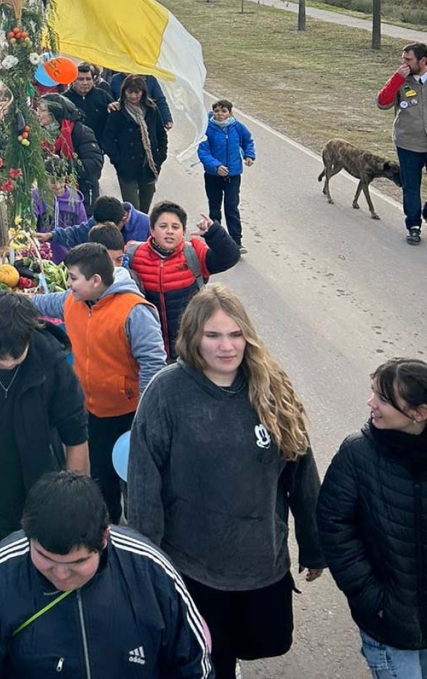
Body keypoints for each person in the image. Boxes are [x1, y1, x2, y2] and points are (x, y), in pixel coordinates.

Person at [128, 284, 325, 679]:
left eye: (235, 334)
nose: (227, 346)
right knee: (203, 659)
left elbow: (302, 473)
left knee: (259, 642)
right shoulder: (167, 392)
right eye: (213, 335)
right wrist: (147, 565)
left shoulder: (272, 388)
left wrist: (314, 545)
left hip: (259, 561)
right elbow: (144, 485)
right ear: (193, 337)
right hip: (192, 567)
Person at [0, 471, 212, 678]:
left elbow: (193, 664)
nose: (60, 574)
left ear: (104, 539)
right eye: (45, 558)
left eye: (77, 562)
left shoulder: (151, 571)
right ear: (28, 536)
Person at [0, 290, 90, 574]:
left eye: (16, 356)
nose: (7, 362)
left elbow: (76, 435)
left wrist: (76, 503)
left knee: (38, 575)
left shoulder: (53, 364)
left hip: (38, 487)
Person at [30, 243, 165, 523]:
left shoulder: (134, 311)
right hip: (91, 411)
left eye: (73, 278)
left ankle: (139, 534)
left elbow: (154, 364)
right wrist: (14, 302)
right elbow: (44, 303)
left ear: (95, 281)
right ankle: (107, 530)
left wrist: (144, 415)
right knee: (102, 479)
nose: (69, 284)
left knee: (134, 481)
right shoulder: (73, 300)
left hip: (129, 416)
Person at [318, 358, 427, 676]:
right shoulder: (357, 453)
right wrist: (374, 599)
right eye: (373, 393)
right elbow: (333, 525)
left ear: (419, 413)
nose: (371, 403)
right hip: (389, 628)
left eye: (383, 398)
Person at [126, 200, 241, 357]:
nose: (169, 231)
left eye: (175, 227)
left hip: (189, 349)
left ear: (183, 231)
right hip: (149, 349)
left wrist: (214, 232)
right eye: (163, 226)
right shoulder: (133, 254)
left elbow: (230, 257)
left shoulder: (193, 253)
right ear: (152, 230)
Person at [377, 42, 427, 245]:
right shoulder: (401, 80)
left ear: (423, 61)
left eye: (408, 59)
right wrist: (396, 79)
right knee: (411, 187)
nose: (403, 63)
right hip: (408, 144)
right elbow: (382, 103)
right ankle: (413, 226)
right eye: (403, 59)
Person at [101, 74, 169, 212]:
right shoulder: (117, 111)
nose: (133, 96)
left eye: (136, 92)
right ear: (124, 92)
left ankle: (143, 234)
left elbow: (161, 134)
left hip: (149, 166)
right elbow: (108, 139)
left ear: (143, 92)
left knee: (144, 211)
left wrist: (160, 156)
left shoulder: (151, 109)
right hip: (127, 167)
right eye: (129, 92)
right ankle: (132, 233)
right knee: (132, 209)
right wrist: (118, 161)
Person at [198, 99, 256, 253]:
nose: (220, 114)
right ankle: (215, 241)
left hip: (233, 175)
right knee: (215, 208)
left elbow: (247, 141)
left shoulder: (237, 127)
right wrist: (216, 166)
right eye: (217, 111)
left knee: (232, 207)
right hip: (213, 176)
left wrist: (249, 155)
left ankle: (236, 242)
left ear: (230, 112)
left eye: (224, 111)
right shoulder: (207, 128)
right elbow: (203, 151)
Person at [36, 93, 104, 212]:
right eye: (38, 109)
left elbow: (95, 165)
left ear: (54, 113)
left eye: (42, 110)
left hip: (81, 195)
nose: (38, 114)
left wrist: (62, 165)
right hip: (49, 195)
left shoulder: (80, 133)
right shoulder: (40, 134)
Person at [37, 194, 151, 248]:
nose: (105, 232)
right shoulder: (96, 222)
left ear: (124, 218)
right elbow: (77, 233)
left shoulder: (146, 224)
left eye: (109, 228)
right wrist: (50, 235)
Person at [31, 163, 86, 265]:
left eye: (60, 181)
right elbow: (30, 221)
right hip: (42, 258)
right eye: (52, 181)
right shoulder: (37, 196)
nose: (57, 186)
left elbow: (82, 229)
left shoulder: (75, 200)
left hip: (69, 259)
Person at [63, 63, 115, 150]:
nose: (85, 82)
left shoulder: (102, 96)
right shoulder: (64, 99)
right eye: (81, 79)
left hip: (96, 148)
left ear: (93, 80)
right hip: (72, 148)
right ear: (73, 80)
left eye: (88, 79)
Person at [88, 221, 145, 290]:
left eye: (119, 260)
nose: (114, 267)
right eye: (108, 261)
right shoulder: (82, 281)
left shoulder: (132, 280)